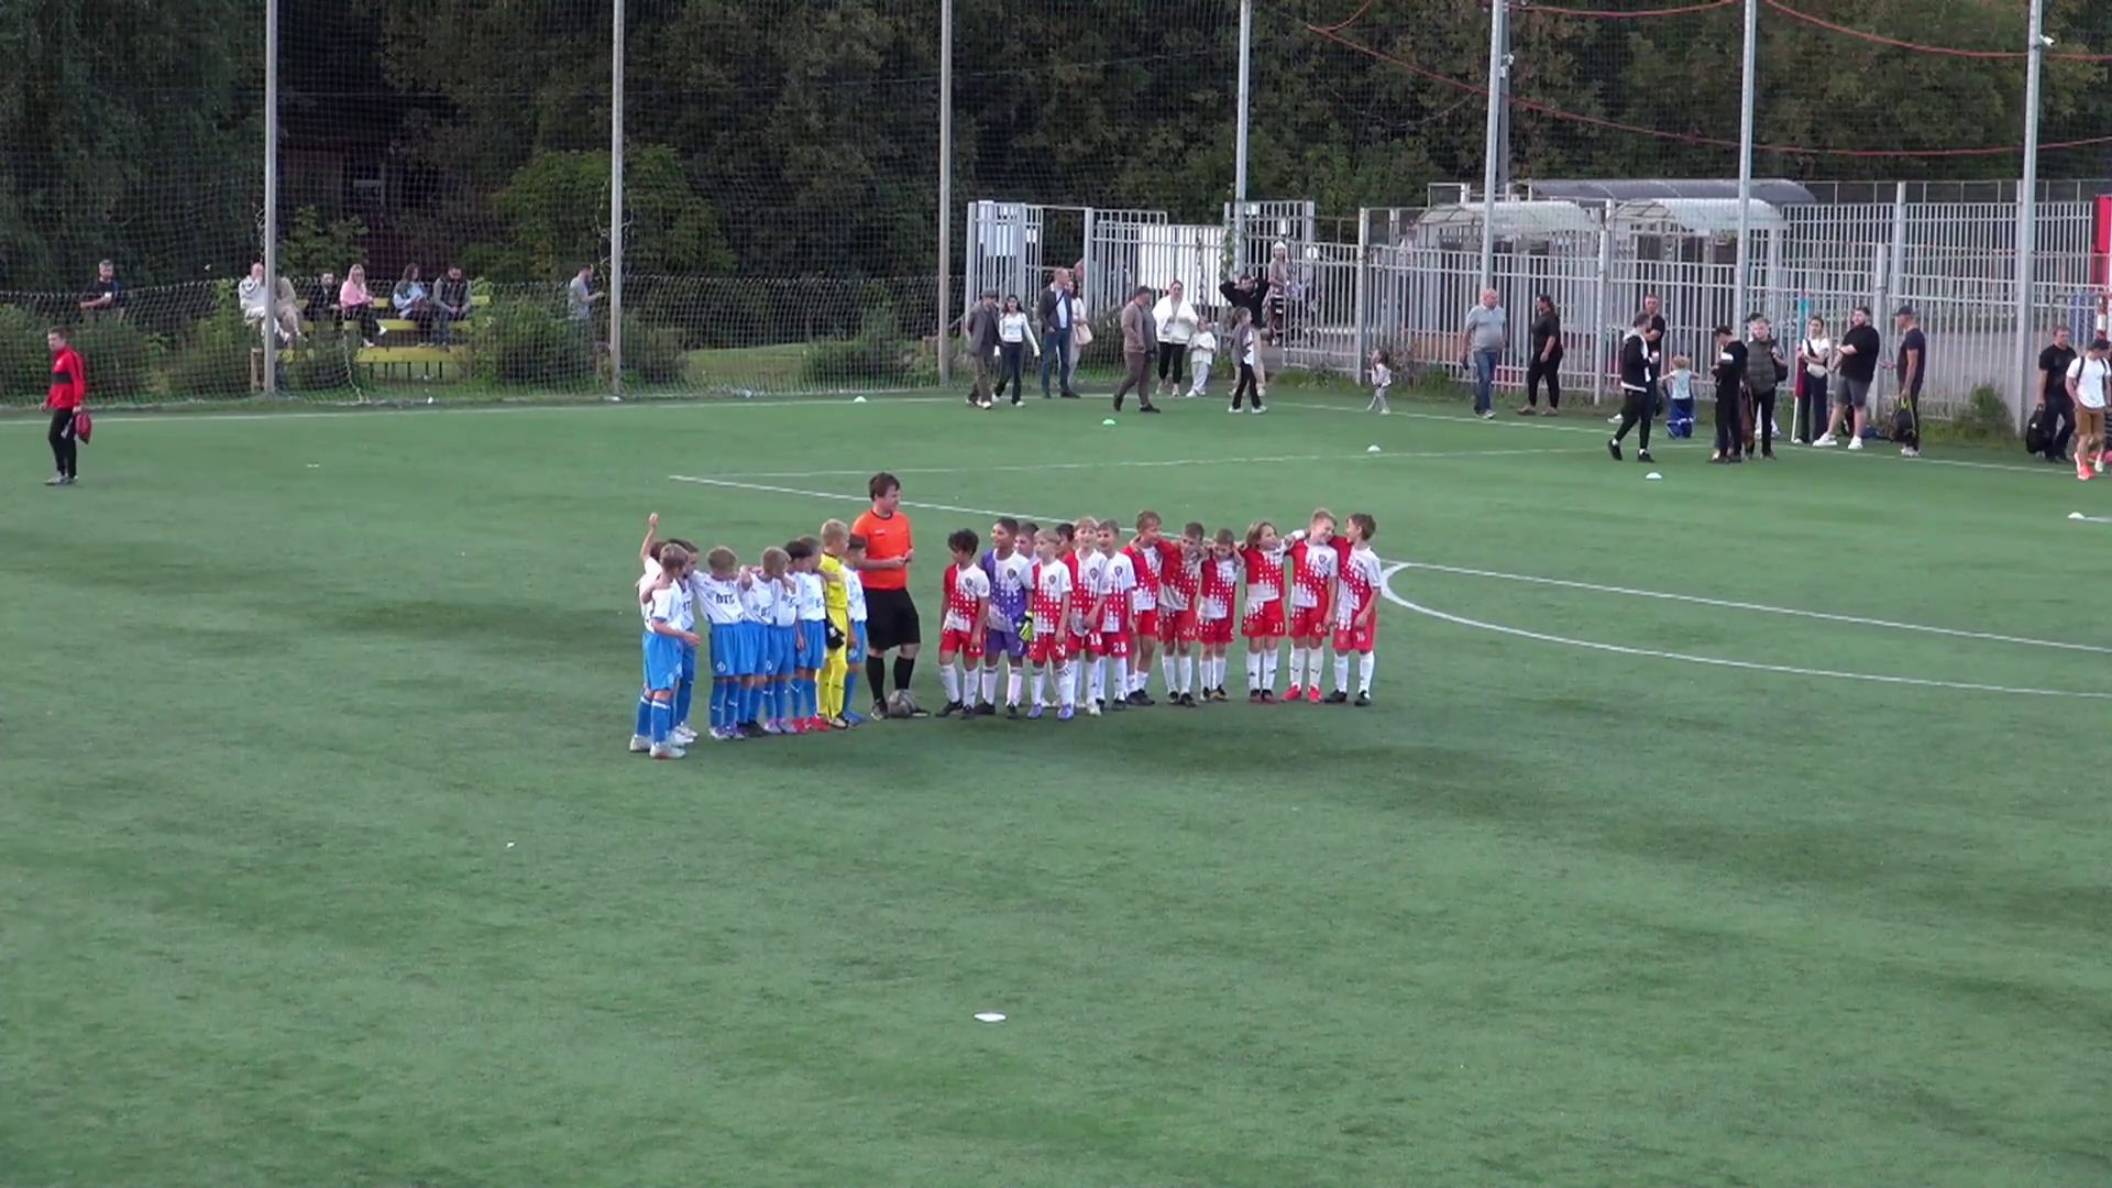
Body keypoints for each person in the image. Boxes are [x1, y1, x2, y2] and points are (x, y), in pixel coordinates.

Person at [851, 472, 922, 717]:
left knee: (911, 643)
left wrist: (909, 555)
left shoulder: (902, 520)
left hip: (899, 590)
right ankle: (878, 702)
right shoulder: (863, 524)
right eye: (893, 495)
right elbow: (856, 561)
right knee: (877, 648)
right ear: (877, 497)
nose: (897, 499)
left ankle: (901, 697)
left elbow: (907, 547)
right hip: (875, 593)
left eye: (898, 494)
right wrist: (887, 564)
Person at [632, 544, 700, 760]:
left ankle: (641, 736)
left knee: (651, 688)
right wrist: (684, 635)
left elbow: (644, 598)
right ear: (678, 568)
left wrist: (652, 588)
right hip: (663, 642)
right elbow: (658, 623)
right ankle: (660, 744)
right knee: (663, 691)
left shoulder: (659, 580)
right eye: (686, 565)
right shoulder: (668, 592)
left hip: (652, 640)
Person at [688, 544, 752, 743]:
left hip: (739, 629)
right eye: (728, 570)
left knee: (736, 677)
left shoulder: (733, 581)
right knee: (722, 678)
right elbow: (684, 569)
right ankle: (716, 725)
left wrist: (742, 572)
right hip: (721, 632)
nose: (731, 573)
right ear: (716, 569)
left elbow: (748, 580)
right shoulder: (702, 580)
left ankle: (731, 724)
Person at [1283, 509, 1340, 705]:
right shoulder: (1297, 547)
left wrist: (1330, 611)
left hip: (1319, 606)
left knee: (1316, 643)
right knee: (1297, 643)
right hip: (1297, 603)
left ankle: (1314, 687)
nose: (1329, 533)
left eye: (1332, 531)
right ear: (1313, 527)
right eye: (1326, 528)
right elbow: (1281, 546)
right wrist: (1298, 534)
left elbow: (1333, 583)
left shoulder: (1331, 554)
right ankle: (1295, 686)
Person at [980, 518, 1034, 716]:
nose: (995, 536)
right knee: (990, 656)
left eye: (1000, 533)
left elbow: (1029, 590)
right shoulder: (987, 558)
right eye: (994, 531)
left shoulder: (1021, 563)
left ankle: (1013, 701)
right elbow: (983, 586)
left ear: (1012, 537)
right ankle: (988, 701)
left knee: (1015, 657)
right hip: (993, 619)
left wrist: (1029, 617)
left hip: (1015, 620)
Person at [933, 529, 991, 717]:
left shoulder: (979, 576)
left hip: (970, 626)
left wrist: (977, 632)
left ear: (968, 552)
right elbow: (946, 598)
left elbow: (984, 606)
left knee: (970, 664)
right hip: (953, 623)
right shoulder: (950, 572)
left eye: (956, 550)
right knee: (944, 660)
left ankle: (968, 704)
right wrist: (943, 623)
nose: (953, 554)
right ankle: (954, 699)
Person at [1329, 513, 1382, 706]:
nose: (1346, 531)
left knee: (1365, 649)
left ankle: (1363, 691)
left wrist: (1365, 613)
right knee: (1340, 648)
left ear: (1359, 530)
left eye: (1349, 526)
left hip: (1361, 612)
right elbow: (1324, 534)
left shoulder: (1370, 559)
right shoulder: (1344, 547)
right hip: (1344, 611)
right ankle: (1340, 689)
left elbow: (1376, 589)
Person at [1026, 527, 1076, 721]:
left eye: (1042, 543)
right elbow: (1031, 598)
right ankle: (1036, 703)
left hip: (1055, 626)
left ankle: (1067, 703)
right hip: (1038, 627)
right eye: (1036, 543)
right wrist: (1029, 624)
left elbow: (1066, 599)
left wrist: (1062, 627)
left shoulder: (1061, 569)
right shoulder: (1034, 570)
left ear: (1054, 547)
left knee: (1060, 662)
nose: (1038, 547)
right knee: (1037, 663)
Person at [1123, 511, 1173, 705]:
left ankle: (1140, 686)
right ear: (1141, 531)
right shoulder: (1129, 553)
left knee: (1149, 646)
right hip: (1134, 605)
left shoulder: (1159, 549)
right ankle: (1129, 688)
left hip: (1150, 605)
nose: (1157, 534)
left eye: (1158, 530)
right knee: (1133, 646)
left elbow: (1173, 549)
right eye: (1153, 530)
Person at [1815, 305, 1880, 450]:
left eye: (1860, 315)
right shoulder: (1851, 333)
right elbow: (1842, 353)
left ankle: (1857, 438)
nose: (1856, 318)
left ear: (1867, 317)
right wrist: (1833, 366)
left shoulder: (1871, 334)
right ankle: (1829, 434)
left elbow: (1851, 350)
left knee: (1859, 405)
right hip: (1845, 373)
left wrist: (1839, 347)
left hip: (1860, 376)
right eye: (1854, 315)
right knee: (1839, 404)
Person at [1158, 522, 1205, 707]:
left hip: (1186, 607)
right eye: (1184, 541)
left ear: (1199, 544)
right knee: (1168, 645)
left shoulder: (1201, 556)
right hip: (1166, 607)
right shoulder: (1170, 551)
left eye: (1191, 543)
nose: (1186, 546)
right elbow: (1152, 539)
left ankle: (1185, 690)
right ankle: (1172, 689)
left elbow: (1228, 548)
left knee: (1185, 646)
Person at [1096, 520, 1141, 711]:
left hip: (1117, 618)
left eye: (1106, 535)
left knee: (1119, 655)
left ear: (1115, 537)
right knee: (1098, 656)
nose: (1102, 539)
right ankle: (1098, 694)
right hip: (1099, 619)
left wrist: (1130, 616)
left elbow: (1128, 590)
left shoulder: (1124, 561)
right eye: (1099, 535)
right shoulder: (1095, 561)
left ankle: (1120, 693)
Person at [1240, 520, 1287, 701]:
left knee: (1272, 644)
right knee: (1255, 644)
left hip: (1274, 604)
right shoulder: (1249, 553)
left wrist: (1297, 535)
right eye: (1268, 535)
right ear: (1257, 541)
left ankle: (1268, 688)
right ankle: (1254, 687)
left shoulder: (1280, 549)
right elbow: (1230, 548)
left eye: (1274, 534)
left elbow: (1299, 535)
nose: (1274, 538)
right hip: (1255, 605)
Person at [789, 538, 831, 731]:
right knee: (801, 670)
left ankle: (812, 714)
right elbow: (795, 609)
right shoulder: (796, 580)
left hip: (818, 625)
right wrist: (798, 633)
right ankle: (797, 715)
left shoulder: (815, 578)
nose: (819, 560)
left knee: (813, 670)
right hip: (805, 625)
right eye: (816, 556)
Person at [1607, 313, 1657, 464]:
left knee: (1646, 416)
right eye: (1649, 322)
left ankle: (1643, 450)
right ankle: (1615, 441)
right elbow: (1632, 359)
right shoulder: (1634, 339)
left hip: (1642, 382)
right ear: (1644, 322)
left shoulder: (1638, 338)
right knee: (1633, 416)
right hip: (1634, 383)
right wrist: (1650, 361)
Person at [1197, 528, 1239, 701]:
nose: (1219, 553)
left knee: (1221, 648)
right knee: (1206, 649)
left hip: (1226, 614)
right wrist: (1206, 549)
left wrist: (1236, 550)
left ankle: (1218, 686)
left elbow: (1242, 553)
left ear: (1230, 549)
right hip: (1207, 614)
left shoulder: (1235, 563)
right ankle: (1205, 687)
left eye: (1224, 550)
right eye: (1216, 548)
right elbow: (1197, 551)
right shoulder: (1206, 562)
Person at [44, 328, 86, 487]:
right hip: (60, 405)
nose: (51, 343)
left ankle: (65, 473)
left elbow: (78, 380)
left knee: (57, 436)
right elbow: (56, 384)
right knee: (63, 438)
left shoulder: (70, 357)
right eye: (49, 340)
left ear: (63, 340)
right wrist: (48, 401)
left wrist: (77, 402)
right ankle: (67, 473)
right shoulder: (58, 359)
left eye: (54, 339)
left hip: (69, 406)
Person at [1111, 286, 1162, 414]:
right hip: (1134, 349)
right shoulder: (1131, 308)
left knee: (1145, 377)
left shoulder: (1147, 310)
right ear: (1141, 295)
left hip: (1148, 348)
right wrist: (1137, 340)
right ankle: (1119, 395)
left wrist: (1154, 344)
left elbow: (1151, 328)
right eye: (1148, 295)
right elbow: (1126, 326)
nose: (1150, 298)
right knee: (1134, 375)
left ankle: (1144, 403)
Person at [2065, 337, 2109, 481]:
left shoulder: (2104, 363)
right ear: (2097, 350)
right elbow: (2068, 383)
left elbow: (2107, 384)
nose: (2107, 353)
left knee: (2099, 437)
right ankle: (2083, 468)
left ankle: (2080, 454)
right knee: (2084, 436)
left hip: (2099, 405)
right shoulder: (2078, 363)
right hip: (2083, 404)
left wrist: (2108, 401)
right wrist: (2076, 401)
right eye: (2105, 351)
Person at [1460, 288, 1505, 419]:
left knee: (1487, 379)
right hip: (1480, 350)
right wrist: (1463, 351)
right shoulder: (1476, 312)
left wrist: (1502, 341)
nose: (1495, 301)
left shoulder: (1500, 312)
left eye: (1496, 298)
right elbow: (1467, 332)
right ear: (1485, 299)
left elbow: (1502, 327)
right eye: (1493, 298)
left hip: (1494, 350)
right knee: (1485, 377)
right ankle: (1487, 408)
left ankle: (1479, 405)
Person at [2037, 325, 2078, 465]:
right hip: (2052, 395)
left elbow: (2074, 375)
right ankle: (2049, 453)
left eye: (2067, 336)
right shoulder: (2048, 354)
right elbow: (2042, 376)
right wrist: (2040, 397)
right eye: (2062, 336)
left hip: (2067, 394)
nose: (2065, 339)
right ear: (2055, 336)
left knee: (2073, 421)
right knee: (2050, 425)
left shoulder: (2071, 353)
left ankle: (2060, 448)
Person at [1744, 315, 1784, 460]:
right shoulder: (1748, 346)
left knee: (1767, 419)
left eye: (1762, 328)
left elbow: (1784, 364)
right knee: (1751, 419)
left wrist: (1776, 357)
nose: (1759, 331)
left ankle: (1766, 450)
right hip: (1752, 387)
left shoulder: (1775, 346)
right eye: (1756, 329)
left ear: (1768, 329)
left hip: (1768, 385)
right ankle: (1749, 450)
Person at [1152, 280, 1198, 400]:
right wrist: (1167, 318)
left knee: (1178, 361)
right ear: (1170, 290)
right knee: (1164, 360)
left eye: (1179, 289)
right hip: (1165, 336)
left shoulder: (1186, 304)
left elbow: (1194, 318)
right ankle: (1162, 380)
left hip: (1180, 337)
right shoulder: (1163, 302)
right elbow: (1156, 315)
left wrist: (1186, 318)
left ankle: (1176, 386)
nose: (1177, 292)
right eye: (1175, 289)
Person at [1038, 268, 1079, 399]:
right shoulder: (1047, 293)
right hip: (1053, 330)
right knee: (1048, 360)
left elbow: (1069, 310)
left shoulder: (1066, 293)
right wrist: (1048, 326)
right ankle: (1045, 388)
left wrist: (1069, 324)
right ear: (1058, 277)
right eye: (1066, 276)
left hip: (1065, 329)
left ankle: (1064, 387)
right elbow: (1041, 312)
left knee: (1065, 360)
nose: (1068, 279)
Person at [1710, 325, 1749, 464]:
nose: (1718, 343)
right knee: (1734, 420)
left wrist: (1715, 370)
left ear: (1722, 335)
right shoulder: (1742, 348)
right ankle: (1737, 451)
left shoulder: (1728, 350)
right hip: (1735, 386)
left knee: (1722, 420)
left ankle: (1723, 452)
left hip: (1725, 388)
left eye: (1718, 339)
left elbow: (1725, 371)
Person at [993, 295, 1039, 407]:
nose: (1012, 304)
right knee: (1006, 373)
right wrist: (997, 349)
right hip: (1006, 346)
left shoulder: (1022, 316)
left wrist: (1035, 346)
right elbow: (1000, 333)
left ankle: (1016, 399)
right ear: (1007, 304)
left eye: (1014, 302)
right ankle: (997, 392)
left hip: (1018, 346)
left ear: (1017, 303)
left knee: (1018, 374)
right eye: (1010, 302)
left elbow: (1027, 331)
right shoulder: (1003, 316)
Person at [1794, 317, 1834, 445]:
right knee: (1804, 404)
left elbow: (1821, 360)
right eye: (1812, 325)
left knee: (1819, 405)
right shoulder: (1805, 341)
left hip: (1818, 375)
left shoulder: (1824, 342)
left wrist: (1806, 357)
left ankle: (1820, 433)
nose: (1814, 328)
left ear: (1821, 327)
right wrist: (1800, 356)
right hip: (1806, 373)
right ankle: (1803, 434)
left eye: (1817, 325)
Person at [1893, 306, 1926, 457]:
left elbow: (1913, 363)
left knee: (1910, 412)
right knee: (1908, 409)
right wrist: (1895, 365)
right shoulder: (1910, 335)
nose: (1897, 320)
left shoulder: (1913, 336)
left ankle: (1912, 444)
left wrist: (1907, 386)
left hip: (1911, 381)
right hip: (1907, 379)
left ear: (1906, 317)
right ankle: (1908, 442)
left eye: (1898, 317)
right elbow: (1907, 361)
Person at [1523, 294, 1562, 415]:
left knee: (1551, 377)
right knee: (1532, 376)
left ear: (1545, 303)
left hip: (1551, 353)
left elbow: (1552, 336)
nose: (1537, 304)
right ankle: (1531, 404)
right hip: (1538, 352)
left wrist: (1546, 352)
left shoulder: (1551, 318)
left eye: (1538, 302)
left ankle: (1553, 406)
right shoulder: (1541, 317)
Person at [962, 290, 1001, 410]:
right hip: (978, 346)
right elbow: (969, 326)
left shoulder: (994, 311)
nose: (992, 301)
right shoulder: (976, 310)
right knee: (982, 373)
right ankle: (985, 399)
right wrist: (975, 338)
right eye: (990, 298)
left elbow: (995, 326)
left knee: (983, 373)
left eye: (993, 298)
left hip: (989, 346)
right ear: (984, 298)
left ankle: (972, 397)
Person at [340, 264, 386, 346]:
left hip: (361, 311)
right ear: (352, 275)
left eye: (361, 275)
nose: (359, 277)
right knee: (364, 310)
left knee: (365, 313)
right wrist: (363, 301)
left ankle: (366, 340)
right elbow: (345, 301)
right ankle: (376, 330)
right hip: (349, 311)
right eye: (357, 275)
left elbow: (363, 298)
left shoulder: (362, 286)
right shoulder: (347, 285)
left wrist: (368, 300)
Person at [1228, 308, 1263, 413]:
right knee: (1252, 381)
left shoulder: (1242, 328)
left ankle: (1236, 405)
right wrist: (1245, 354)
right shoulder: (1242, 329)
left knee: (1243, 383)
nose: (1251, 318)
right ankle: (1256, 406)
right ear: (1244, 317)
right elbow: (1240, 344)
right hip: (1244, 359)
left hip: (1244, 359)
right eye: (1249, 316)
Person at [432, 265, 473, 347]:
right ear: (449, 272)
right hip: (444, 309)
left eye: (458, 274)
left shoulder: (466, 283)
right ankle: (444, 340)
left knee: (474, 311)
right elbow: (436, 300)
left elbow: (468, 300)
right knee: (443, 312)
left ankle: (471, 340)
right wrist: (449, 309)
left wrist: (463, 309)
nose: (456, 277)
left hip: (459, 309)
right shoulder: (440, 282)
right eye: (454, 274)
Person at [393, 264, 435, 341]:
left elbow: (425, 297)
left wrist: (425, 302)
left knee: (428, 314)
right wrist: (411, 302)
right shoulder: (401, 285)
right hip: (407, 310)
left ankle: (427, 340)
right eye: (414, 272)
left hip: (421, 308)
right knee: (422, 315)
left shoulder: (420, 285)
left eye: (417, 272)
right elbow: (397, 302)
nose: (416, 275)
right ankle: (423, 340)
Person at [1664, 355, 1697, 439]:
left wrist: (1660, 379)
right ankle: (1687, 432)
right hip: (1686, 397)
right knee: (1686, 415)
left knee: (1675, 414)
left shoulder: (1675, 373)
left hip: (1677, 397)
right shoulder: (1688, 372)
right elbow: (1696, 376)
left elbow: (1665, 378)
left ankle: (1675, 431)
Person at [1188, 311, 1219, 398]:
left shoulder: (1209, 335)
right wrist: (1194, 347)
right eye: (1199, 324)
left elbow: (1213, 348)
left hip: (1205, 358)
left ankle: (1195, 390)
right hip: (1195, 357)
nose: (1201, 326)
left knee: (1202, 374)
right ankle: (1200, 389)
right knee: (1195, 374)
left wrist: (1204, 347)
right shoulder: (1195, 335)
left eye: (1203, 324)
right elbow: (1189, 347)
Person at [1367, 349, 1393, 414]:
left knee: (1379, 394)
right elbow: (1373, 364)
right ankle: (1372, 406)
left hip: (1384, 383)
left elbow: (1381, 376)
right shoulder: (1377, 365)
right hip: (1381, 383)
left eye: (1377, 354)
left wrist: (1378, 384)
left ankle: (1386, 409)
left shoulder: (1381, 366)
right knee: (1377, 394)